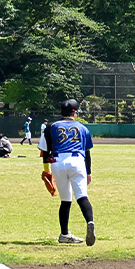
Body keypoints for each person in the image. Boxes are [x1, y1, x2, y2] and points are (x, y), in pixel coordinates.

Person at [40, 99, 95, 245]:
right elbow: (87, 153)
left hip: (57, 162)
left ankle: (64, 234)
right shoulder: (83, 128)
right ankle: (90, 222)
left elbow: (45, 152)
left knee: (65, 200)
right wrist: (88, 172)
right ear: (74, 112)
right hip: (77, 161)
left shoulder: (51, 126)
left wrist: (46, 172)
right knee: (82, 196)